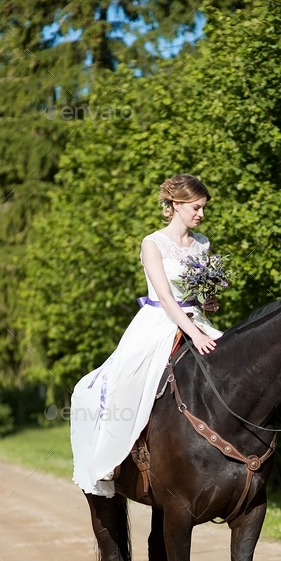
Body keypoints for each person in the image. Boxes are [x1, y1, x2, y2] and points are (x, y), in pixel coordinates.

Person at [71, 174, 223, 497]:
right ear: (176, 205)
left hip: (196, 317)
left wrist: (208, 303)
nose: (201, 215)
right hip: (159, 321)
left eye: (203, 208)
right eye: (196, 208)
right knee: (127, 378)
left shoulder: (203, 243)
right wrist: (193, 333)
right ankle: (113, 457)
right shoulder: (152, 244)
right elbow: (167, 298)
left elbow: (196, 293)